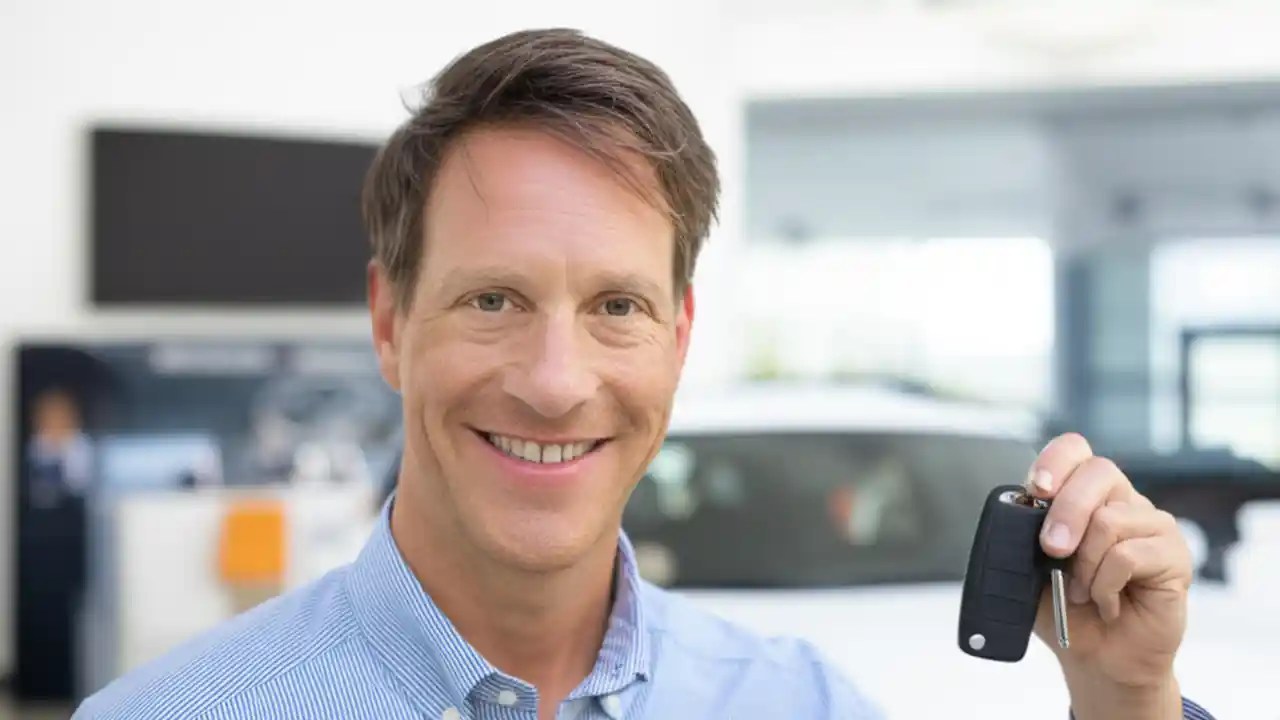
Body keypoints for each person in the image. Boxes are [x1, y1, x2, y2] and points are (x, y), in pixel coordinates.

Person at [74, 28, 1212, 719]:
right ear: (389, 321)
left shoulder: (803, 706)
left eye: (615, 307)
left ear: (677, 334)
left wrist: (1125, 702)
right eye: (492, 300)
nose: (555, 382)